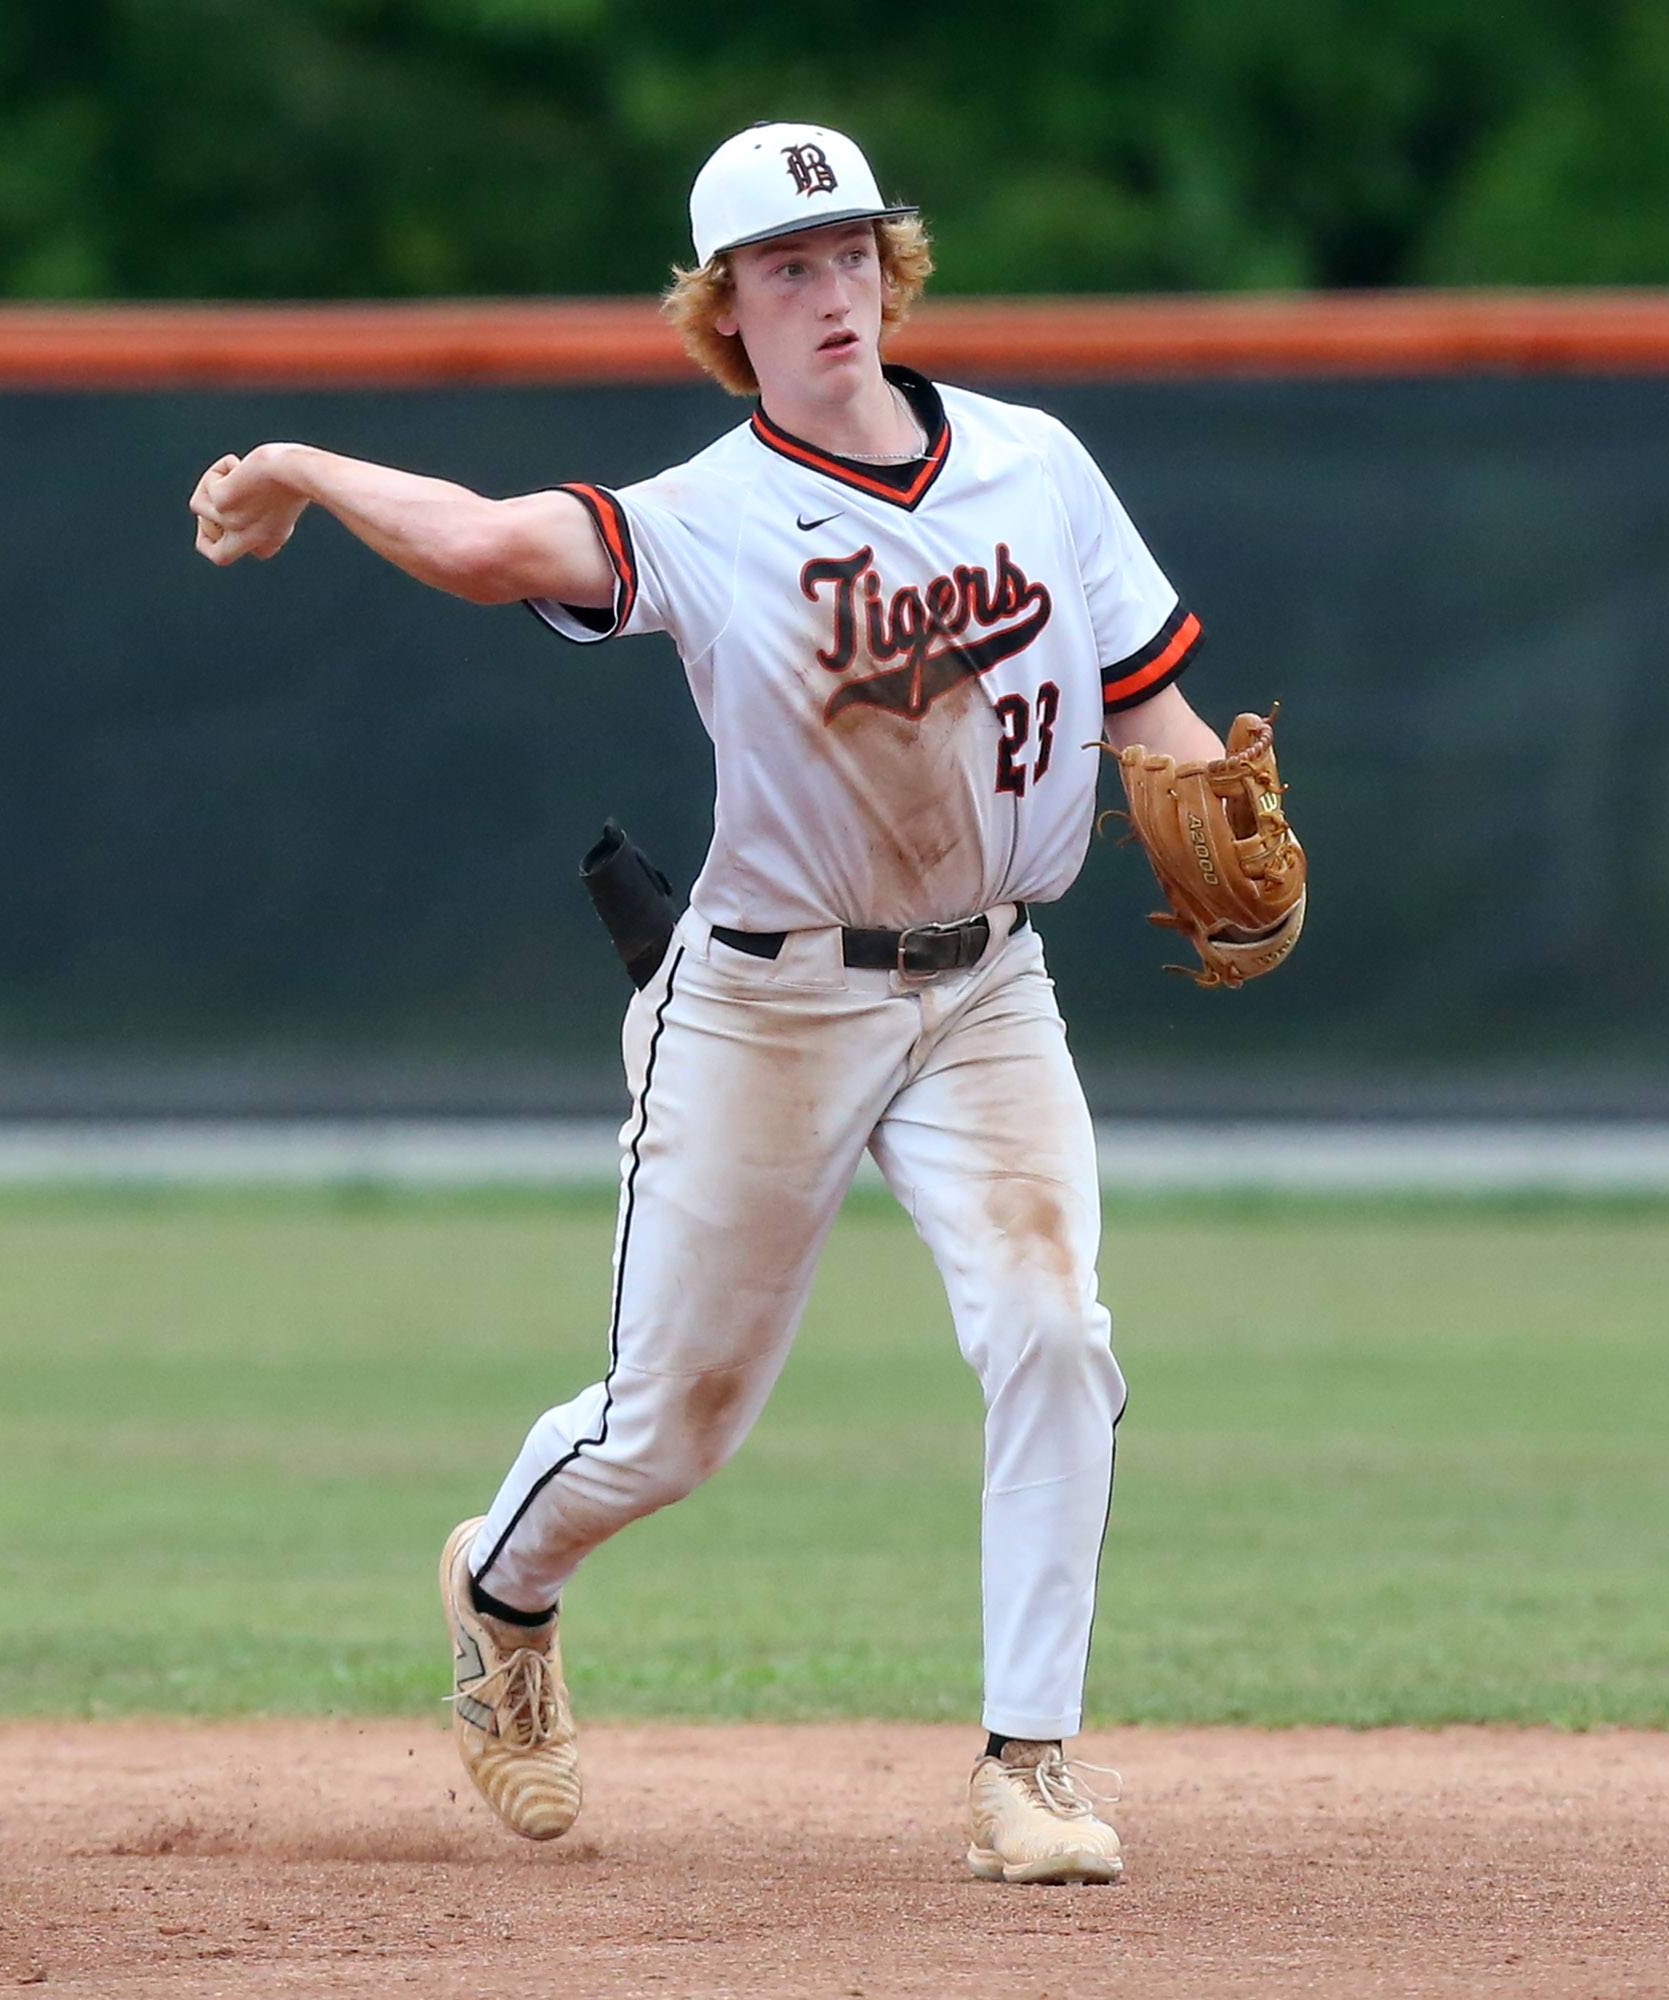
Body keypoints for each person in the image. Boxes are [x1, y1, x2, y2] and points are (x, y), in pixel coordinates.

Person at [190, 121, 1231, 1887]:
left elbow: (1151, 705)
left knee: (1055, 1332)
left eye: (847, 257)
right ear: (725, 313)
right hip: (765, 1009)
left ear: (889, 276)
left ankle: (1029, 1768)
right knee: (675, 1426)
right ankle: (504, 1591)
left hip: (988, 986)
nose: (825, 293)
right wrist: (300, 460)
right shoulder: (707, 515)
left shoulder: (1037, 465)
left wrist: (1229, 825)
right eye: (780, 271)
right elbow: (490, 544)